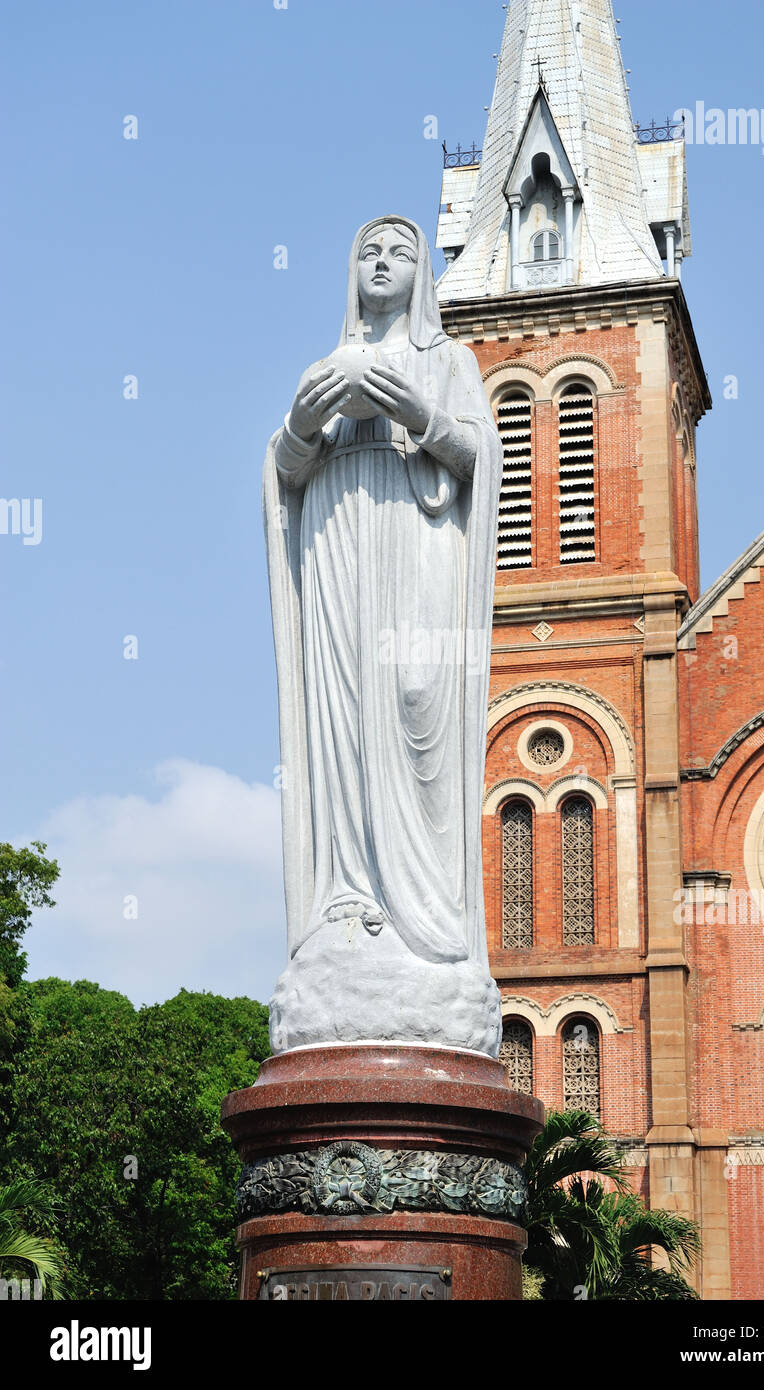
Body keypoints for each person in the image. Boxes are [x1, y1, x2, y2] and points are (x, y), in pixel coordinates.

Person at [263, 215, 503, 1055]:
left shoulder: (449, 363)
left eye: (399, 253)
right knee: (340, 719)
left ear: (421, 277)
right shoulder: (323, 368)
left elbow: (483, 457)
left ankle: (425, 914)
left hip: (416, 544)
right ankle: (348, 897)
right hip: (334, 543)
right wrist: (298, 430)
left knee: (411, 704)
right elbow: (282, 474)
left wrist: (422, 415)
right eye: (367, 252)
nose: (380, 264)